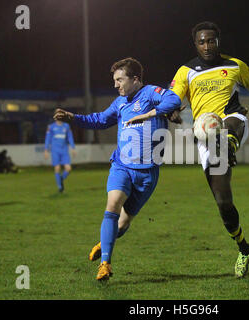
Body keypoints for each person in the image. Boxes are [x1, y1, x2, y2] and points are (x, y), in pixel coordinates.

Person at [163, 21, 249, 278]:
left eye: (211, 40)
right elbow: (172, 97)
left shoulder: (235, 65)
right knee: (223, 202)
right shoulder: (186, 71)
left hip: (233, 121)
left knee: (226, 130)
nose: (207, 46)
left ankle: (228, 144)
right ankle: (243, 246)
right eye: (201, 41)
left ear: (219, 41)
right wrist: (172, 112)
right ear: (195, 44)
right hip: (204, 136)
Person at [53, 57, 182, 281]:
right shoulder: (120, 103)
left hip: (147, 173)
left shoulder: (151, 93)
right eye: (114, 80)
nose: (116, 85)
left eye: (119, 80)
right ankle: (106, 264)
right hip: (122, 165)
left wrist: (154, 112)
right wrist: (73, 118)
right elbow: (100, 120)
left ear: (135, 79)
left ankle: (105, 242)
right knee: (112, 206)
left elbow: (174, 100)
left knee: (122, 223)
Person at [44, 120, 76, 192]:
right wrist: (46, 150)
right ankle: (60, 187)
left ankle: (60, 179)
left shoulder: (66, 126)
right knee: (57, 168)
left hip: (64, 150)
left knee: (68, 168)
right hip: (55, 151)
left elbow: (70, 137)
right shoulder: (51, 127)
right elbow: (48, 139)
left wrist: (73, 147)